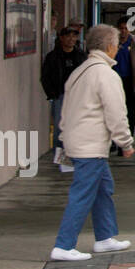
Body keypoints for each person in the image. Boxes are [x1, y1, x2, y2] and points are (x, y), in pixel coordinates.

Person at [50, 24, 135, 261]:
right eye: (116, 45)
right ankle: (64, 245)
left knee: (102, 189)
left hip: (76, 141)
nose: (117, 50)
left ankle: (105, 237)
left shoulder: (80, 71)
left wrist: (63, 137)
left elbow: (65, 110)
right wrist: (125, 143)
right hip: (91, 146)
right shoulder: (106, 75)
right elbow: (116, 113)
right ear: (109, 47)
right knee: (83, 193)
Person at [41, 26, 86, 170]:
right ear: (61, 38)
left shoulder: (81, 56)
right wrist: (52, 94)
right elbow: (45, 77)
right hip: (60, 95)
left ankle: (74, 158)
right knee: (60, 130)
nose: (71, 39)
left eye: (74, 36)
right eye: (68, 36)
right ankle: (60, 160)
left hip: (78, 96)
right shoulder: (53, 57)